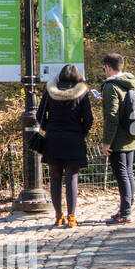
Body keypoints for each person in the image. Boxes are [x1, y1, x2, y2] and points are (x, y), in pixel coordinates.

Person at [35, 63, 93, 227]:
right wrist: (80, 132)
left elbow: (40, 114)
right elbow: (88, 119)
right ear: (77, 77)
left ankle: (58, 216)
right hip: (74, 139)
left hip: (53, 138)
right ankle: (72, 217)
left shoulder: (50, 90)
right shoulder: (82, 92)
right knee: (72, 177)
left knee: (54, 178)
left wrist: (48, 127)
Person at [100, 52, 135, 225]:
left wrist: (106, 142)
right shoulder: (131, 83)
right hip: (132, 132)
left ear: (108, 67)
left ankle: (125, 213)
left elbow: (112, 117)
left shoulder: (111, 87)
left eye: (104, 68)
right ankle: (127, 207)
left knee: (122, 174)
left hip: (117, 137)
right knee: (129, 172)